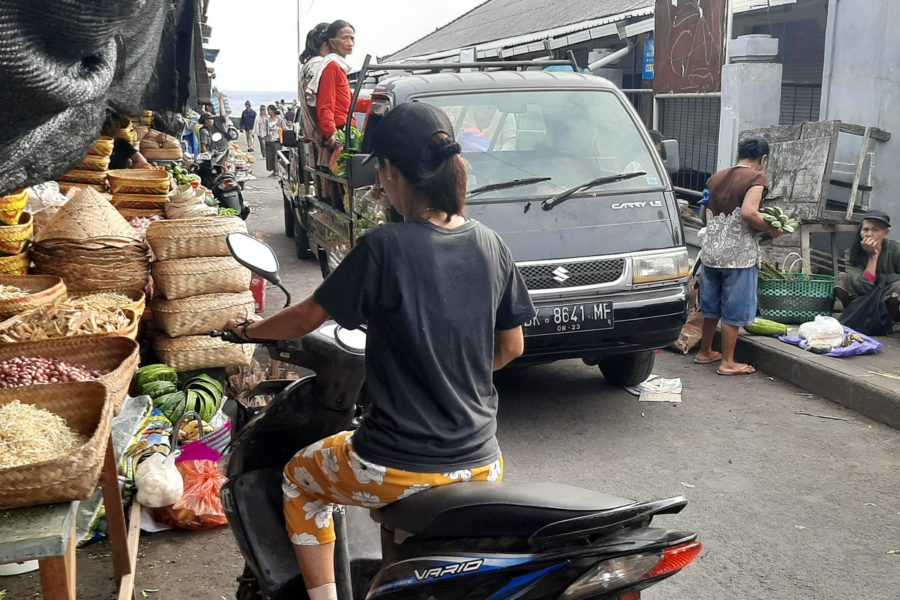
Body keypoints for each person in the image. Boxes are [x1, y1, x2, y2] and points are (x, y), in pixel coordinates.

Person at [226, 103, 534, 600]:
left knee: (298, 481)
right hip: (482, 461)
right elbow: (511, 347)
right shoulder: (491, 243)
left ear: (390, 172)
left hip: (399, 464)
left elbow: (307, 317)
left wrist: (252, 331)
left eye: (379, 173)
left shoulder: (384, 246)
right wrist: (456, 370)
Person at [696, 137, 782, 375]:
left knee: (711, 305)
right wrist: (773, 228)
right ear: (763, 159)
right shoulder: (757, 178)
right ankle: (728, 362)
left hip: (711, 252)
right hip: (738, 255)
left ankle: (705, 352)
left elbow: (706, 212)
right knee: (734, 308)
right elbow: (749, 212)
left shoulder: (716, 177)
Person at [835, 211, 900, 322]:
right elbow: (863, 288)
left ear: (886, 233)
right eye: (865, 229)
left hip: (887, 295)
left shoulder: (896, 249)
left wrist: (885, 280)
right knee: (841, 279)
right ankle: (856, 317)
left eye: (875, 230)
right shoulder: (852, 253)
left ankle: (893, 320)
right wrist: (873, 257)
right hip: (862, 297)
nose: (869, 234)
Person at [316, 20, 355, 152]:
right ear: (332, 42)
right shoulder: (332, 66)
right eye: (345, 38)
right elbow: (325, 104)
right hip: (339, 131)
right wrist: (331, 133)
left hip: (346, 129)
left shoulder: (340, 66)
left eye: (352, 38)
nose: (350, 43)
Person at [265, 105, 286, 175]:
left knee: (276, 156)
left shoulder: (279, 119)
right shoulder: (267, 120)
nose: (268, 112)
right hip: (269, 139)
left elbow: (284, 129)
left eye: (269, 110)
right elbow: (266, 129)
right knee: (270, 156)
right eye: (267, 110)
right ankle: (274, 171)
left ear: (273, 111)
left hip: (277, 139)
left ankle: (277, 171)